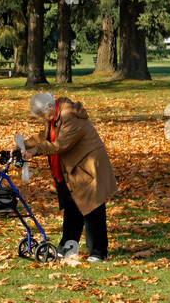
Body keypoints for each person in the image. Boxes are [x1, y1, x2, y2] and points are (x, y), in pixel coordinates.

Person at [23, 91, 117, 262]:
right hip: (74, 168)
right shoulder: (54, 114)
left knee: (93, 209)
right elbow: (44, 135)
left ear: (50, 107)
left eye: (45, 115)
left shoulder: (69, 116)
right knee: (73, 208)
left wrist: (36, 150)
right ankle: (68, 247)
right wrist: (24, 144)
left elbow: (61, 144)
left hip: (88, 166)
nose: (46, 119)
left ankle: (98, 252)